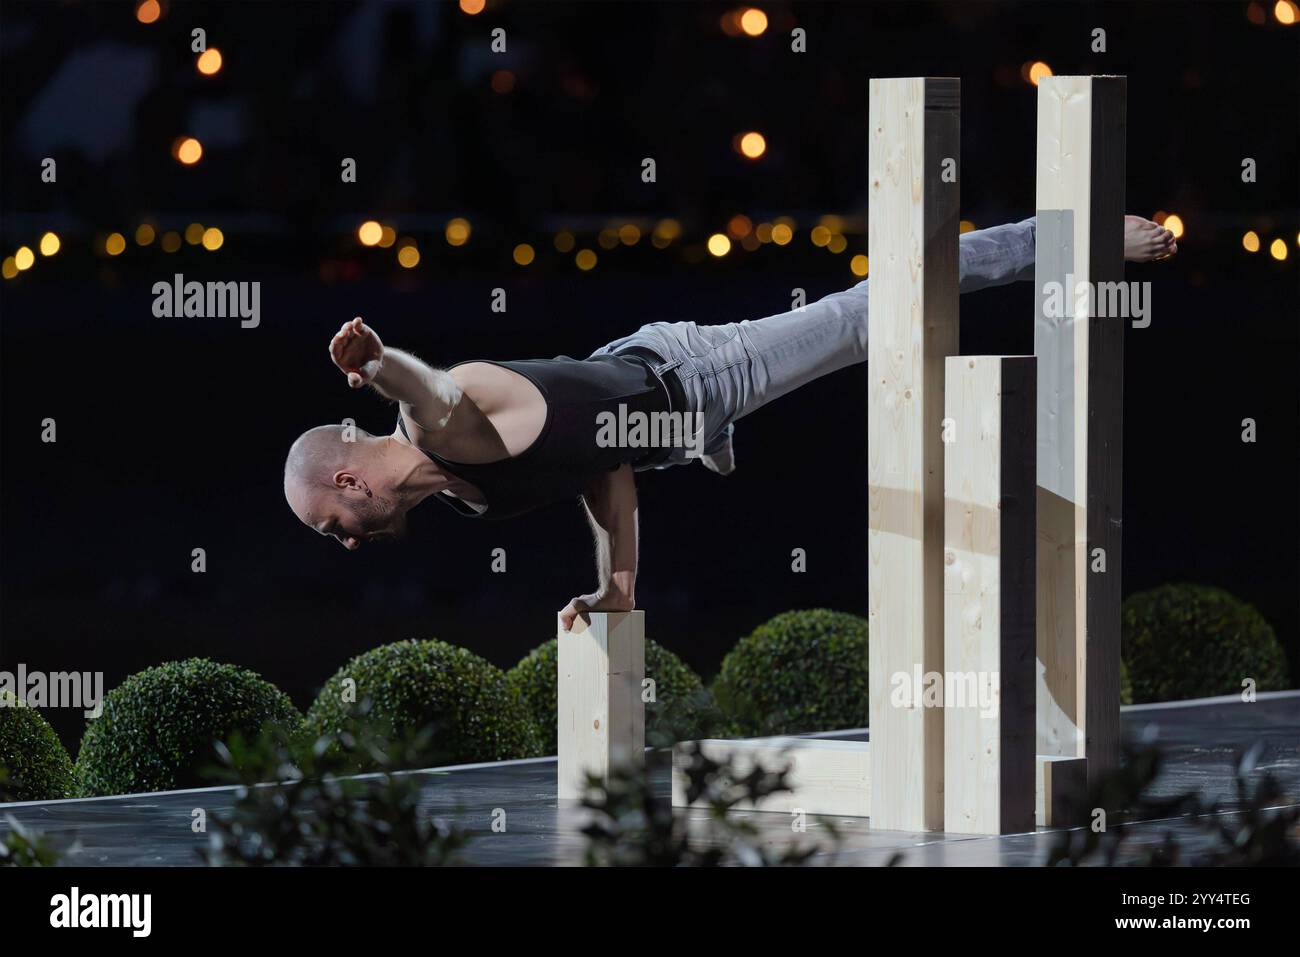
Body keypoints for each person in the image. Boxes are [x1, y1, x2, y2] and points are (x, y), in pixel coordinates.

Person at [284, 215, 1176, 630]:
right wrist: (619, 584)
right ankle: (702, 439)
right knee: (654, 442)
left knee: (872, 314)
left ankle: (1062, 239)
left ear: (351, 479)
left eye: (333, 528)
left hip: (697, 371)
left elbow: (429, 391)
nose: (349, 545)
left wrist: (375, 359)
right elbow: (600, 472)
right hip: (645, 418)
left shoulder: (437, 422)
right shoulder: (469, 501)